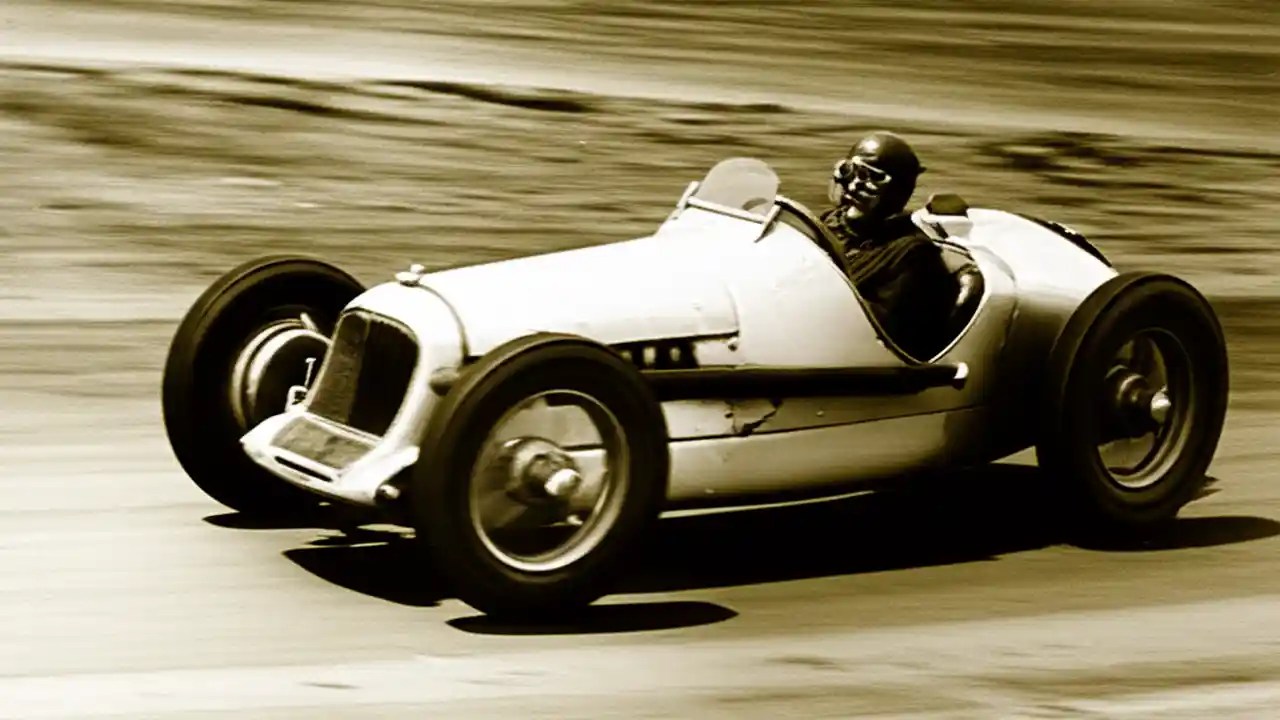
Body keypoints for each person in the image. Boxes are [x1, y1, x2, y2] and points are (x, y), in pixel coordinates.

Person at [820, 131, 958, 360]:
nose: (854, 185)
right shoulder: (828, 222)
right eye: (850, 172)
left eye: (870, 177)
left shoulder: (911, 254)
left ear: (897, 191)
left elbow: (880, 331)